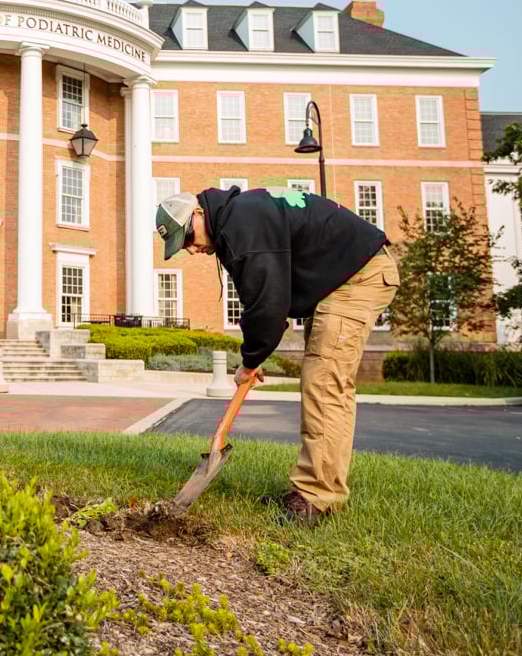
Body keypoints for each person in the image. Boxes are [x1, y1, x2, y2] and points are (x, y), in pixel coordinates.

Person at [155, 186, 398, 525]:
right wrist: (255, 353)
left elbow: (267, 306)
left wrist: (251, 361)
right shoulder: (237, 221)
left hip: (358, 276)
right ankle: (322, 489)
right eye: (183, 245)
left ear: (198, 213)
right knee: (326, 384)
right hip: (343, 279)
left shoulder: (241, 226)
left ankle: (316, 498)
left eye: (188, 236)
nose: (192, 248)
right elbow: (263, 301)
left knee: (324, 384)